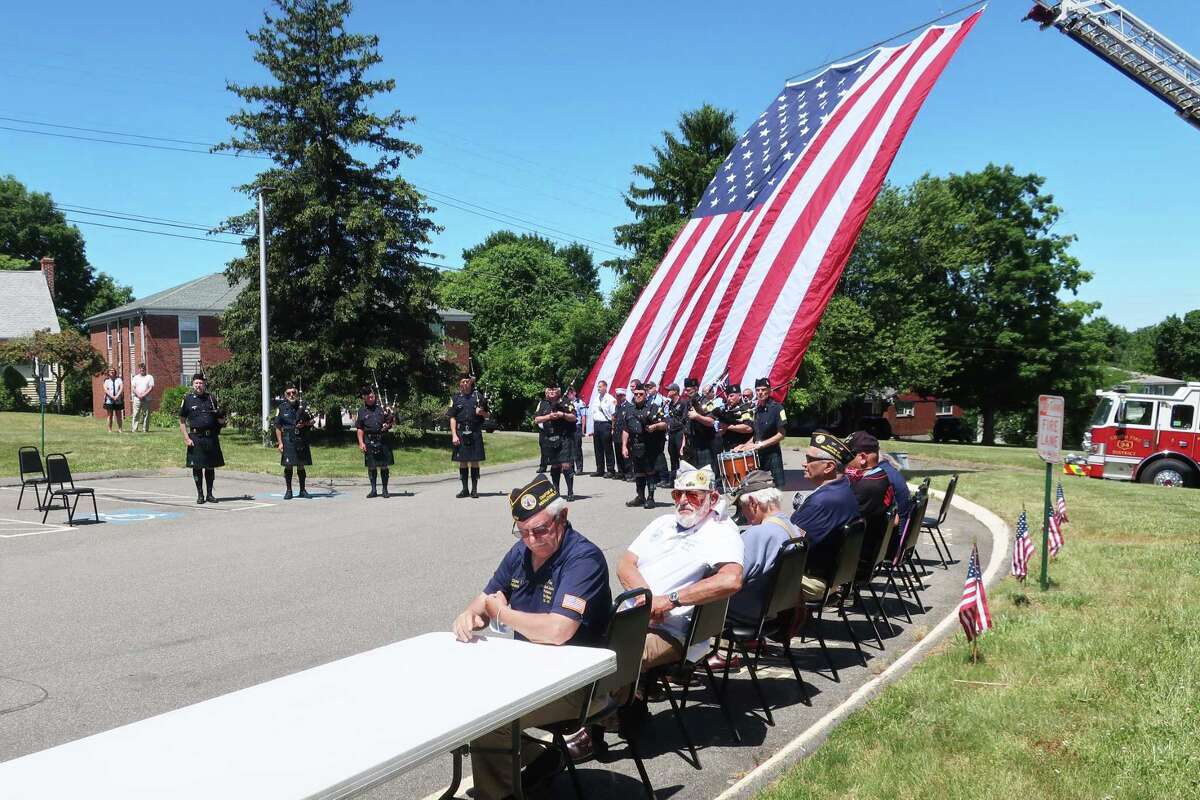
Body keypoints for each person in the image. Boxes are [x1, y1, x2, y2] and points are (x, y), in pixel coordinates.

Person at [452, 475, 612, 800]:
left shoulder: (584, 560)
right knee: (461, 693)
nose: (532, 539)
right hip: (532, 672)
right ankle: (540, 757)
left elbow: (558, 630)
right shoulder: (521, 551)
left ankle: (499, 796)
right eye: (522, 532)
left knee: (489, 718)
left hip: (578, 684)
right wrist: (469, 615)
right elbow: (486, 598)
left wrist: (501, 613)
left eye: (540, 529)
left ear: (562, 517)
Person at [617, 461, 744, 672]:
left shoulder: (720, 531)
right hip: (631, 617)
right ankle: (627, 697)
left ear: (712, 498)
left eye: (693, 495)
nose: (683, 501)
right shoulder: (662, 522)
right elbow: (625, 563)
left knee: (611, 659)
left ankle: (627, 702)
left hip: (671, 631)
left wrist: (669, 601)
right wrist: (647, 600)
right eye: (678, 495)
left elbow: (731, 579)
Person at [790, 432, 860, 600]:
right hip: (831, 577)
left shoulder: (823, 501)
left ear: (829, 467)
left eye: (809, 460)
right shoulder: (843, 487)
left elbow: (788, 542)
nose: (803, 464)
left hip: (814, 580)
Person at [726, 470, 800, 626]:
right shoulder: (793, 527)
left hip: (748, 611)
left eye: (741, 507)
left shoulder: (760, 534)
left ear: (753, 503)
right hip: (777, 609)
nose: (743, 513)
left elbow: (729, 579)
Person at [846, 430, 903, 562]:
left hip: (858, 558)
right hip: (872, 549)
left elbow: (842, 521)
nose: (844, 461)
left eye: (847, 456)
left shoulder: (868, 486)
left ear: (863, 458)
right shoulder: (880, 475)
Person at [178, 373, 226, 504]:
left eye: (201, 383)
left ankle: (210, 494)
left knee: (210, 467)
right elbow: (182, 421)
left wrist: (222, 416)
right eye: (196, 383)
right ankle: (200, 495)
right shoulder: (188, 399)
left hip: (210, 437)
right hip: (195, 437)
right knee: (197, 467)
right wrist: (186, 438)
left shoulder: (211, 398)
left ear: (204, 384)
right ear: (193, 385)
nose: (199, 386)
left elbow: (220, 421)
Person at [735, 378, 788, 488]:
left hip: (772, 455)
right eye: (758, 390)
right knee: (759, 490)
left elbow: (781, 435)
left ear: (769, 390)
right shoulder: (757, 410)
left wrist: (760, 445)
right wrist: (745, 445)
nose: (760, 392)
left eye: (763, 389)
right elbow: (756, 435)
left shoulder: (777, 408)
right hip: (758, 455)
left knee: (775, 491)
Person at [621, 382, 667, 509]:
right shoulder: (629, 409)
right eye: (636, 394)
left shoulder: (653, 407)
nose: (638, 396)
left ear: (646, 395)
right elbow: (625, 429)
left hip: (649, 445)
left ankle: (650, 498)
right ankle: (640, 497)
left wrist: (655, 426)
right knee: (638, 473)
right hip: (635, 446)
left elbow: (665, 424)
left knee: (650, 472)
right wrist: (624, 446)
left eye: (641, 394)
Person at [533, 380, 578, 500]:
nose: (552, 392)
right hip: (550, 438)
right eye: (550, 390)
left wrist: (562, 414)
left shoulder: (565, 402)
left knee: (566, 465)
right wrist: (548, 417)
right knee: (554, 466)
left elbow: (574, 417)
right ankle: (556, 491)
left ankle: (570, 492)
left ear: (558, 391)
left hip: (564, 438)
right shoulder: (542, 403)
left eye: (554, 390)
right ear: (547, 392)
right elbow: (536, 419)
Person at [448, 376, 488, 499]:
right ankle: (465, 489)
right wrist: (454, 435)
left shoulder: (478, 397)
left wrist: (482, 413)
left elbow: (488, 415)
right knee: (463, 462)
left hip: (475, 432)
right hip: (460, 433)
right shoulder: (455, 399)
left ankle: (474, 490)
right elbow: (452, 417)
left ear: (470, 383)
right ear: (460, 384)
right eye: (462, 382)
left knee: (475, 461)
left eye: (467, 381)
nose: (465, 383)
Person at [274, 383, 313, 500]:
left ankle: (302, 490)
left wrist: (304, 424)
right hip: (288, 439)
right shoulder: (281, 408)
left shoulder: (303, 405)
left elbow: (312, 421)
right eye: (289, 393)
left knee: (301, 465)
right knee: (288, 465)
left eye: (294, 393)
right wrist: (280, 443)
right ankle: (289, 490)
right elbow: (277, 427)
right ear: (285, 395)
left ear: (297, 393)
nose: (291, 395)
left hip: (301, 438)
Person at [681, 377, 720, 487]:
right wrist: (683, 444)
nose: (686, 392)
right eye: (685, 390)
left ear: (696, 388)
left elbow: (711, 421)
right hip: (690, 445)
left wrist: (697, 416)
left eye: (689, 390)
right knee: (692, 478)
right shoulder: (687, 404)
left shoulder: (706, 402)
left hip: (704, 444)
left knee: (704, 477)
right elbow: (686, 426)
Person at [355, 386, 393, 498]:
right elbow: (360, 428)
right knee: (371, 466)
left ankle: (385, 490)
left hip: (383, 439)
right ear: (364, 398)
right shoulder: (361, 411)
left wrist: (388, 424)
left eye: (373, 396)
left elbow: (390, 422)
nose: (372, 398)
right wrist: (361, 443)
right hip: (369, 440)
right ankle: (373, 490)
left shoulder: (382, 408)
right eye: (369, 397)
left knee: (384, 465)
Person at [588, 379, 617, 478]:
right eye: (598, 387)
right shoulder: (596, 398)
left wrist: (613, 428)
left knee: (607, 448)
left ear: (605, 387)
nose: (598, 389)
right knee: (598, 448)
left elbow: (613, 415)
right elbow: (594, 413)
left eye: (600, 387)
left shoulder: (610, 399)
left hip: (606, 425)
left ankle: (610, 470)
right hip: (597, 425)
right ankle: (600, 469)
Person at [663, 383, 687, 484]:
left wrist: (675, 424)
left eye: (670, 390)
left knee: (681, 456)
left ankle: (684, 479)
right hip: (672, 433)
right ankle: (673, 480)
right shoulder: (671, 404)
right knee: (672, 455)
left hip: (679, 432)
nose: (668, 392)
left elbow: (684, 418)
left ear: (675, 391)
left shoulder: (683, 402)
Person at [611, 387, 631, 480]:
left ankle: (628, 472)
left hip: (624, 433)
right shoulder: (617, 406)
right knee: (618, 454)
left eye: (620, 396)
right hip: (617, 433)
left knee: (625, 454)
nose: (618, 397)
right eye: (617, 396)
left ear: (624, 396)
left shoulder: (628, 406)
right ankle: (620, 472)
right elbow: (615, 418)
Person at [130, 363, 154, 433]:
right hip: (137, 398)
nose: (142, 369)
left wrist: (143, 395)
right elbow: (133, 388)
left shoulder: (149, 377)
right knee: (136, 413)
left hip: (147, 398)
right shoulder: (135, 377)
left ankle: (145, 429)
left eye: (143, 368)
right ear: (139, 369)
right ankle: (134, 429)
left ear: (145, 369)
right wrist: (139, 395)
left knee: (146, 414)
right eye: (141, 368)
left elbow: (151, 387)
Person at [567, 385, 586, 474]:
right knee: (569, 448)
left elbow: (583, 416)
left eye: (570, 393)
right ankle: (571, 467)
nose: (569, 395)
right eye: (568, 394)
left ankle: (579, 468)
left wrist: (583, 429)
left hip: (577, 426)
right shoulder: (566, 403)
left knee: (577, 447)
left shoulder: (580, 403)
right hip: (568, 426)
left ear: (574, 393)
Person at [102, 367, 125, 433]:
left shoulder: (119, 380)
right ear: (108, 372)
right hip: (109, 400)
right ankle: (109, 430)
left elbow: (121, 388)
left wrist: (117, 396)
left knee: (118, 415)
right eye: (110, 371)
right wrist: (112, 396)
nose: (112, 372)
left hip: (118, 400)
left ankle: (120, 429)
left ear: (115, 372)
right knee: (110, 415)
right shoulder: (106, 381)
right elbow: (106, 390)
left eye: (113, 371)